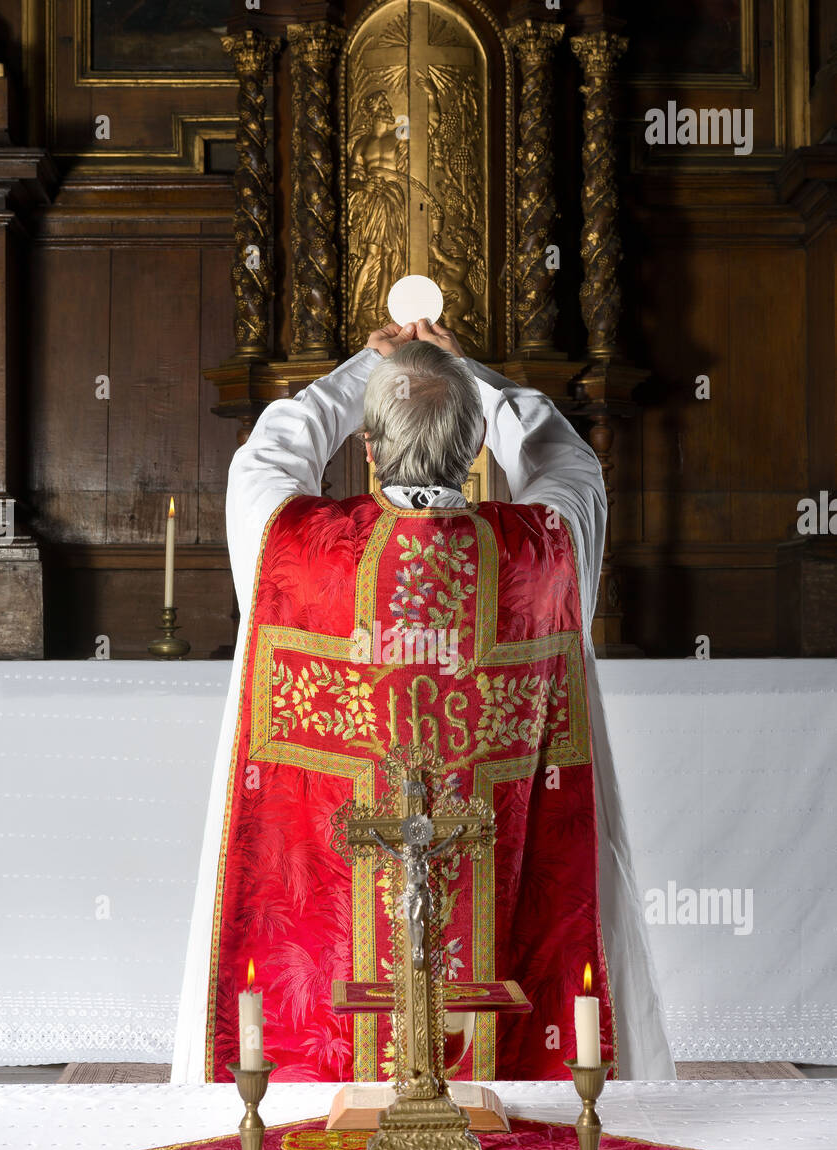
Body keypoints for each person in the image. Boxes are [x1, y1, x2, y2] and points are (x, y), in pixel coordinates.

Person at [171, 319, 675, 1083]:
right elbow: (568, 459)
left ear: (367, 447)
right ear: (476, 452)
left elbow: (272, 452)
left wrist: (360, 372)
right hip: (491, 899)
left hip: (341, 926)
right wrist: (472, 372)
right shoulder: (545, 550)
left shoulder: (293, 548)